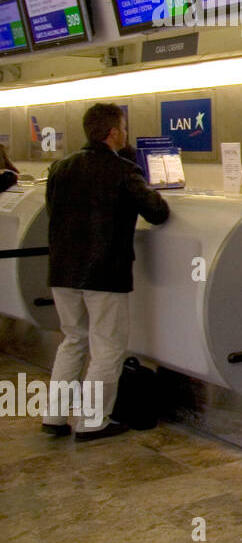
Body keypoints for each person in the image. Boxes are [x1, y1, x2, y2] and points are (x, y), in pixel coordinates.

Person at [42, 103, 170, 440]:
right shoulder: (123, 171)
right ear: (113, 133)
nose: (126, 134)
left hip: (62, 272)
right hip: (104, 273)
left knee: (72, 340)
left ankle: (54, 416)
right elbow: (157, 212)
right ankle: (92, 422)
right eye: (124, 129)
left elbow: (52, 210)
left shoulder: (60, 168)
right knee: (107, 347)